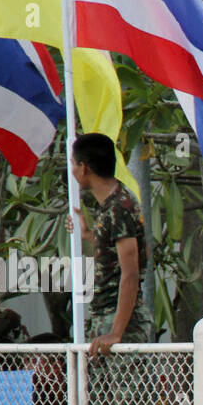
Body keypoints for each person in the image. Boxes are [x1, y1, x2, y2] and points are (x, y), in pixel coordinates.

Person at [69, 132, 151, 352]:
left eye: (73, 165)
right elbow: (114, 251)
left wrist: (116, 332)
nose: (73, 172)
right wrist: (87, 233)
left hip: (121, 322)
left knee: (125, 387)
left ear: (84, 168)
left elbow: (130, 272)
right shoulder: (111, 205)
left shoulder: (119, 207)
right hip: (106, 317)